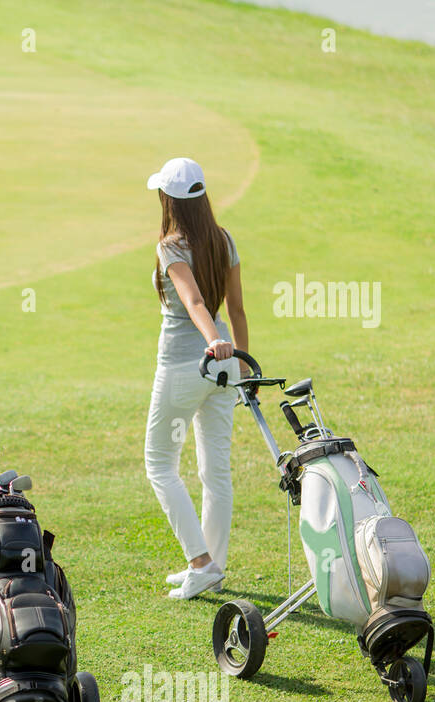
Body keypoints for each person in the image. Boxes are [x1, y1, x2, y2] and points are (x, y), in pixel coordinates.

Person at [142, 158, 250, 600]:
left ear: (169, 199)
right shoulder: (222, 239)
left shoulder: (170, 245)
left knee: (159, 464)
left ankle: (201, 562)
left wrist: (212, 340)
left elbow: (194, 301)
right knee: (214, 471)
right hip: (221, 368)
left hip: (186, 366)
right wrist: (239, 364)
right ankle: (211, 565)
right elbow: (236, 311)